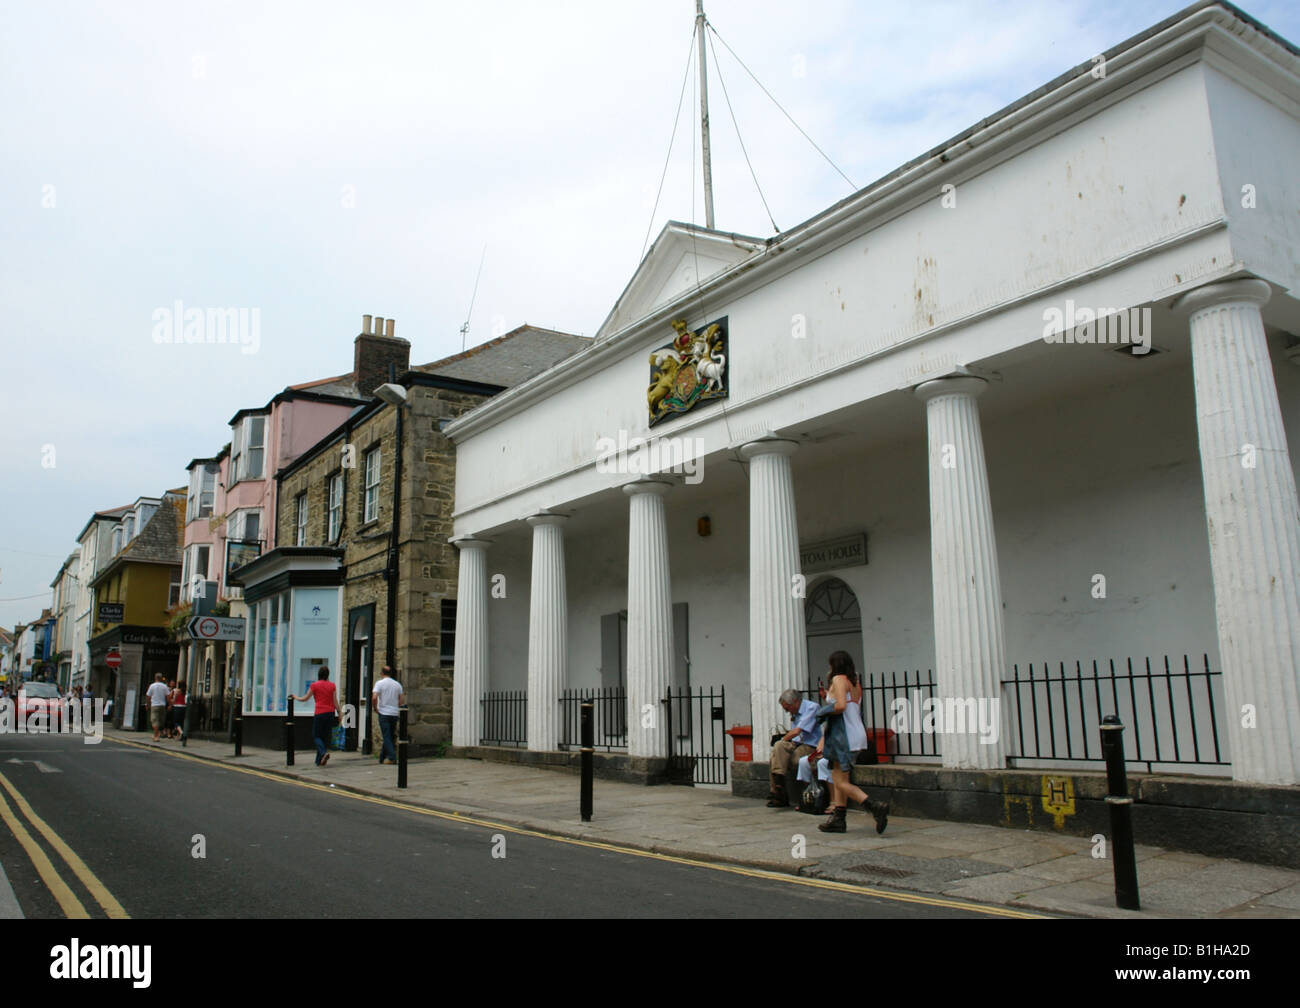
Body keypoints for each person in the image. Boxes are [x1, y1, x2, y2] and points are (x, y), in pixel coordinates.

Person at [814, 651, 889, 834]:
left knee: (839, 781)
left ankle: (873, 806)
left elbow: (840, 707)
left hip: (843, 736)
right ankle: (839, 819)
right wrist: (828, 697)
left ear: (835, 665)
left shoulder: (838, 679)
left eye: (831, 664)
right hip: (857, 734)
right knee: (840, 776)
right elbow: (847, 705)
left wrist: (822, 711)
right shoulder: (854, 683)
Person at [767, 688, 821, 807]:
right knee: (777, 749)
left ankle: (779, 790)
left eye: (787, 708)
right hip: (796, 742)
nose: (787, 712)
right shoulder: (795, 711)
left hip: (810, 744)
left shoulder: (812, 708)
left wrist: (783, 739)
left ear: (796, 702)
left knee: (791, 759)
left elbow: (797, 731)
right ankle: (778, 787)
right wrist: (782, 742)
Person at [289, 668, 341, 767]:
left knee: (316, 736)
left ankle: (323, 753)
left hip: (320, 713)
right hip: (330, 713)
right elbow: (335, 701)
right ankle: (319, 761)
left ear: (319, 674)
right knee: (324, 737)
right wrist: (339, 713)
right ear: (327, 675)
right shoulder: (332, 685)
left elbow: (305, 698)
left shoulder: (314, 685)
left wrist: (295, 697)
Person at [370, 665, 405, 765]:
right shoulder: (397, 684)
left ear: (382, 673)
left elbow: (374, 697)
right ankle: (382, 757)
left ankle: (392, 757)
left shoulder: (379, 683)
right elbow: (402, 700)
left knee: (386, 736)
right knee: (389, 735)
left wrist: (375, 708)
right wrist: (397, 707)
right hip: (394, 713)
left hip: (384, 713)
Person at [146, 673, 170, 742]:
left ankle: (156, 736)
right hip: (162, 705)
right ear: (161, 678)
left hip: (154, 705)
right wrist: (170, 705)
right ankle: (157, 734)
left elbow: (148, 696)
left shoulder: (152, 686)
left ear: (155, 678)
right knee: (160, 721)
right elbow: (168, 696)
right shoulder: (164, 686)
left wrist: (147, 704)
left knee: (154, 721)